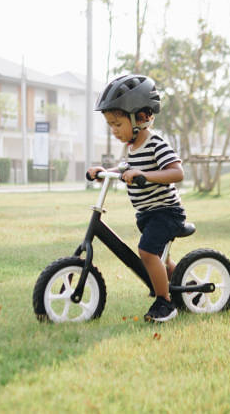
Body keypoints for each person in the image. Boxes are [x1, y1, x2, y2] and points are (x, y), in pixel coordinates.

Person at [87, 74, 187, 323]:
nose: (114, 130)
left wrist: (144, 174)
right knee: (160, 259)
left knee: (147, 252)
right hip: (147, 214)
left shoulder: (156, 143)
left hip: (166, 212)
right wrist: (103, 172)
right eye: (110, 124)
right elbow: (124, 169)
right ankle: (186, 286)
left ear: (141, 118)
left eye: (117, 124)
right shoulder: (132, 149)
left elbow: (177, 172)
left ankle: (165, 302)